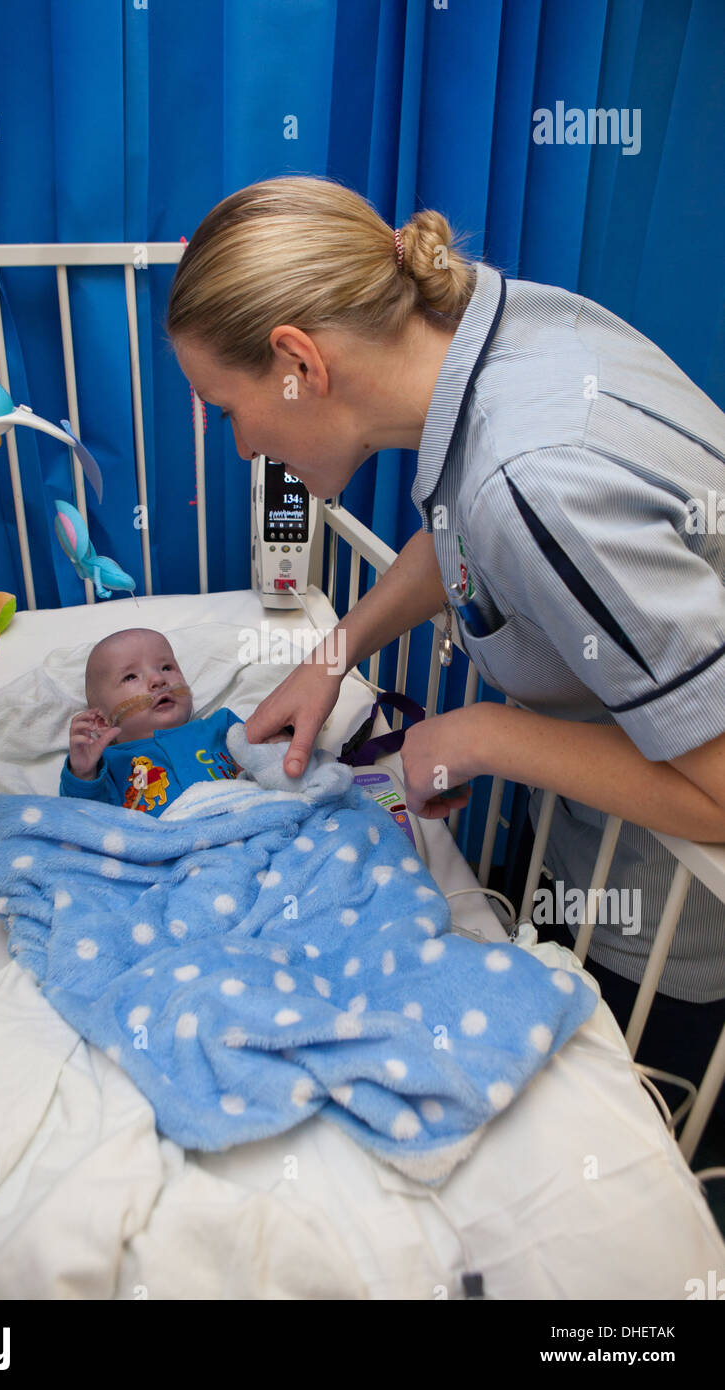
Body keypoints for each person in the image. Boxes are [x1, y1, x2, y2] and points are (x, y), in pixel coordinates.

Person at [166, 174, 725, 1113]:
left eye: (226, 409)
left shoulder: (534, 473)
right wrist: (333, 653)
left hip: (681, 912)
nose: (238, 448)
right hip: (592, 840)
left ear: (298, 360)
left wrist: (480, 738)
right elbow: (466, 526)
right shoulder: (500, 341)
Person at [61, 628, 242, 813]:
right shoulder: (108, 768)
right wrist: (83, 775)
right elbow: (87, 818)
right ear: (102, 722)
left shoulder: (222, 726)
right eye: (130, 677)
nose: (158, 679)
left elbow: (264, 760)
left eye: (166, 668)